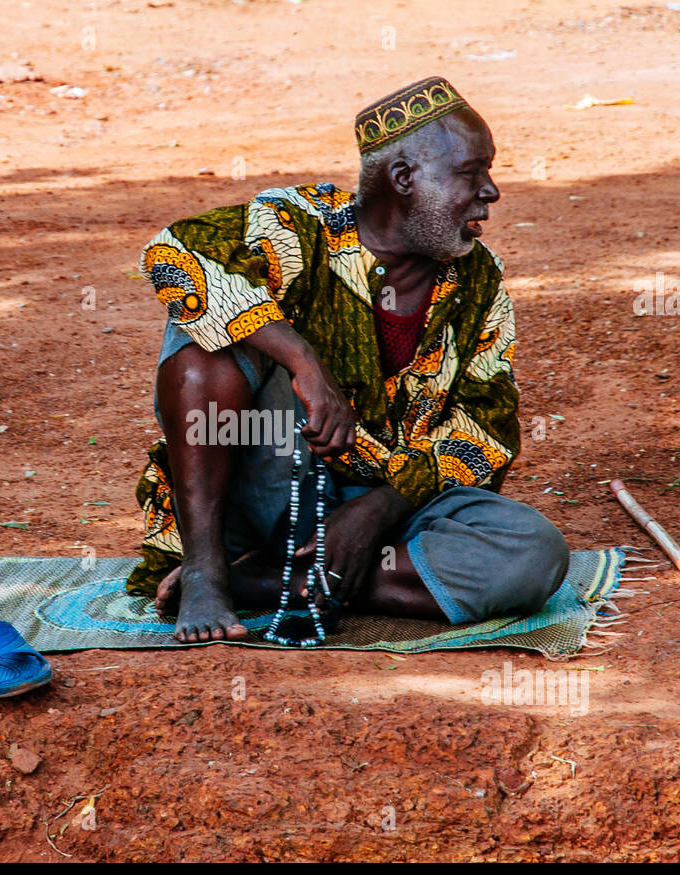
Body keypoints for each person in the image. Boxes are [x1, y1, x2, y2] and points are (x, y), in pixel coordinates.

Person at [126, 76, 570, 643]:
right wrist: (302, 360)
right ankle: (208, 571)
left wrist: (376, 511)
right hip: (269, 487)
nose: (491, 190)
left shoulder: (479, 281)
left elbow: (488, 431)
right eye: (471, 172)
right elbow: (174, 252)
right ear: (404, 179)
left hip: (393, 509)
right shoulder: (299, 227)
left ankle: (266, 582)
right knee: (202, 345)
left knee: (532, 555)